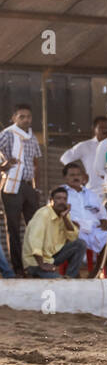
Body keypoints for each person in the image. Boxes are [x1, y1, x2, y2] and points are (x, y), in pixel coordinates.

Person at [1, 103, 42, 277]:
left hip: (28, 186)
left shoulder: (32, 137)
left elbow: (35, 162)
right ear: (14, 118)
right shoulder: (7, 134)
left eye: (28, 117)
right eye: (21, 116)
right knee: (14, 228)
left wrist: (36, 186)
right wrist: (3, 165)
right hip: (11, 185)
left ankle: (32, 266)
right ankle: (17, 268)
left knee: (34, 227)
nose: (26, 120)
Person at [21, 187, 86, 279]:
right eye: (58, 198)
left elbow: (73, 237)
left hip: (50, 258)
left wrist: (65, 218)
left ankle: (70, 277)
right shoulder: (43, 214)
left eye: (64, 199)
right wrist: (42, 264)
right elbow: (35, 241)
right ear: (51, 201)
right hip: (35, 262)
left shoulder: (63, 214)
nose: (62, 201)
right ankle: (40, 274)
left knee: (80, 244)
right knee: (59, 282)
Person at [60, 162, 107, 268]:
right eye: (72, 175)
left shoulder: (92, 194)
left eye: (78, 175)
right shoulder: (60, 193)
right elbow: (54, 214)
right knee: (76, 239)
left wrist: (105, 224)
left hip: (93, 230)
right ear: (65, 178)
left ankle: (97, 270)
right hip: (72, 229)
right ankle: (75, 273)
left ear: (83, 177)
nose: (76, 177)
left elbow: (103, 216)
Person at [60, 116, 107, 194]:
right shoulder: (85, 146)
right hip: (93, 191)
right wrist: (80, 172)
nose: (105, 130)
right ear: (94, 129)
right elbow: (65, 158)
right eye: (101, 127)